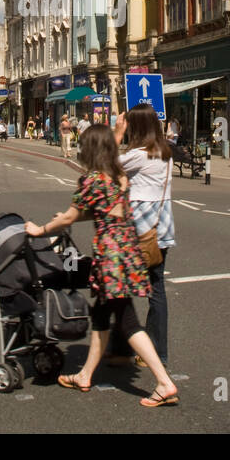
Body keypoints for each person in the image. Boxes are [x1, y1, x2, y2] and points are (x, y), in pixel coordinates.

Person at [24, 124, 179, 407]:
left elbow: (70, 217)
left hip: (111, 257)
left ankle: (164, 381)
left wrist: (41, 229)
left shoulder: (92, 180)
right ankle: (85, 375)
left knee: (128, 321)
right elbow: (106, 212)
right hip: (127, 250)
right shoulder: (118, 176)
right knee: (101, 317)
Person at [107, 105, 175, 367]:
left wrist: (117, 132)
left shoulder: (138, 155)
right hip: (162, 227)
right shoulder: (165, 151)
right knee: (156, 290)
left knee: (120, 288)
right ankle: (157, 350)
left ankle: (122, 348)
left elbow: (103, 164)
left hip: (139, 230)